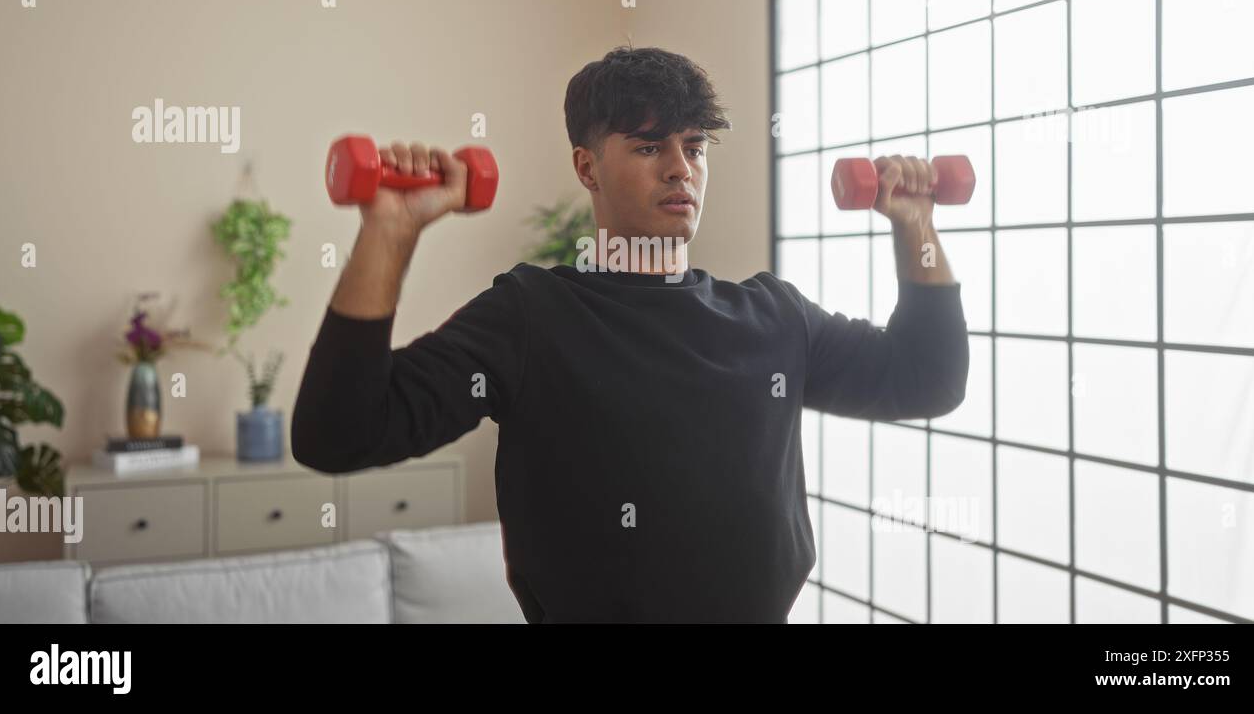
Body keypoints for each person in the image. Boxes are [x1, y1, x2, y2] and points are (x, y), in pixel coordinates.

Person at [291, 46, 969, 623]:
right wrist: (390, 229)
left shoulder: (773, 318)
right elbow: (339, 433)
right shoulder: (534, 315)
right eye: (649, 146)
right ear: (587, 168)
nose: (680, 167)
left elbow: (927, 379)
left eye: (694, 146)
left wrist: (915, 223)